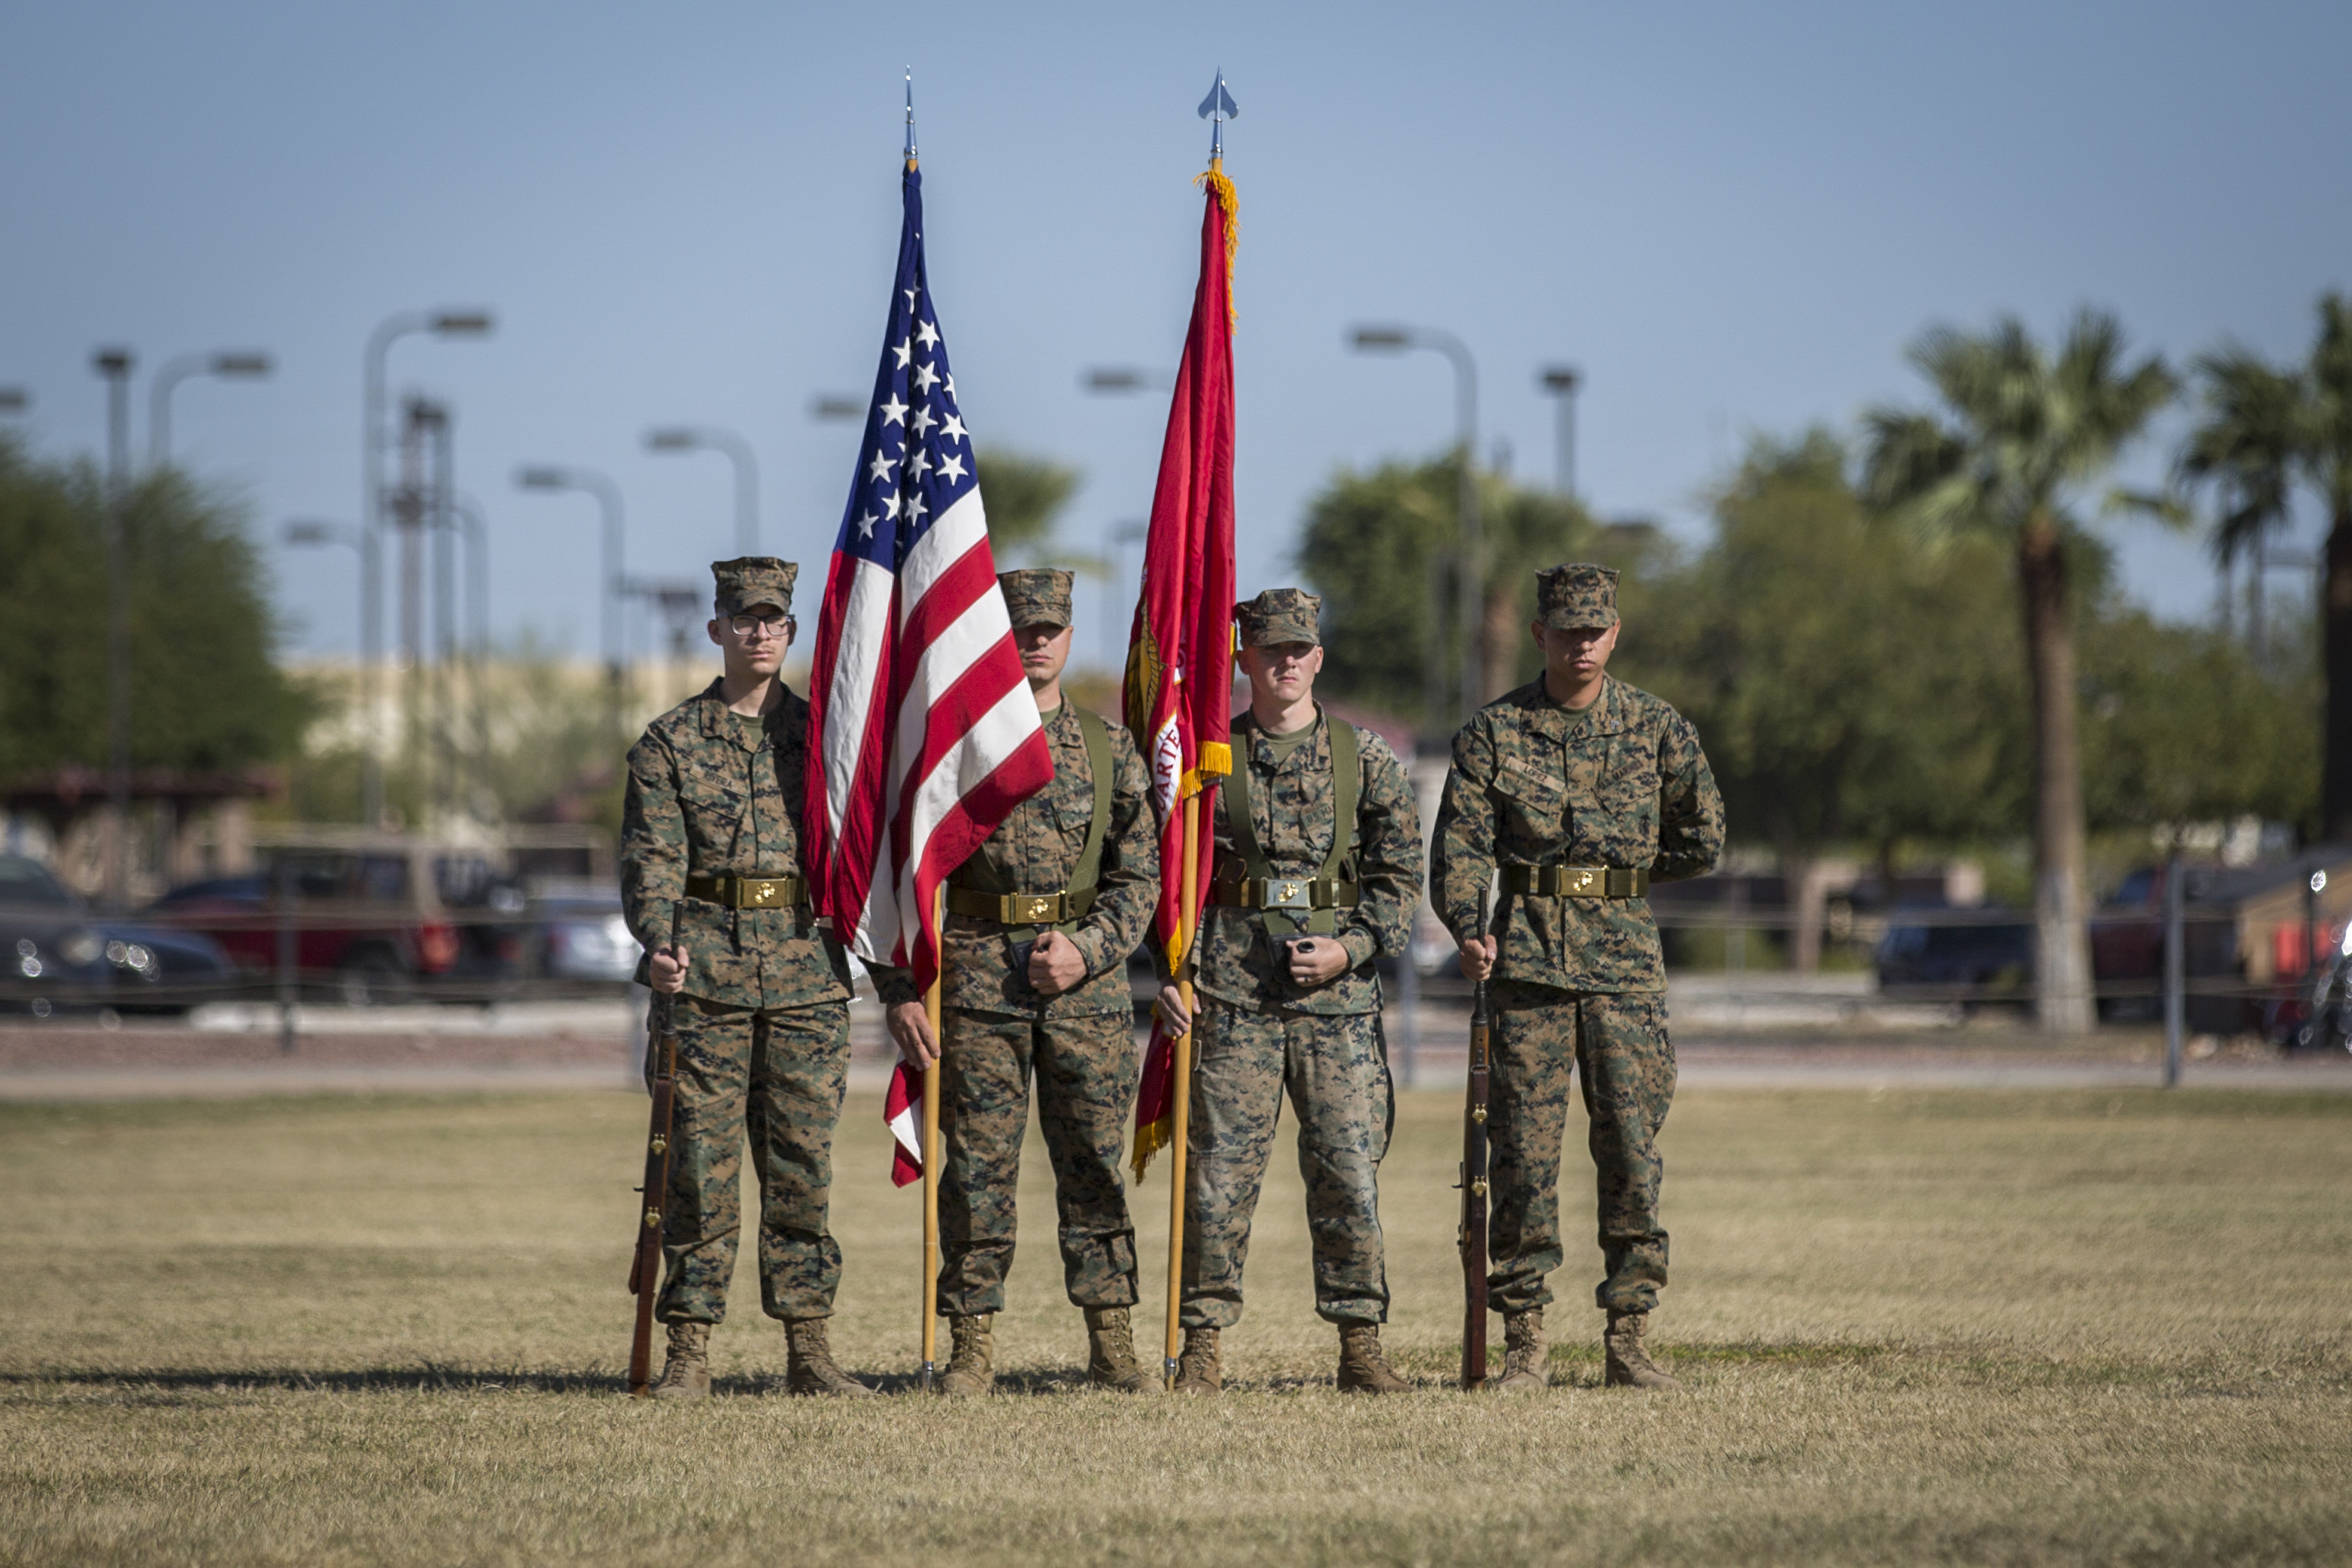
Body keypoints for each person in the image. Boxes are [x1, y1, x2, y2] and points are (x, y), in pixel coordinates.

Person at [1429, 563, 1724, 1391]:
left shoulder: (1656, 727)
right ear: (1540, 636)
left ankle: (1628, 1335)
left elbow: (1703, 836)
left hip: (1624, 970)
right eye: (1566, 630)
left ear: (1615, 634)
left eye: (1595, 630)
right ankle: (1525, 1340)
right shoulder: (1494, 733)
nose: (1581, 643)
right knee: (1522, 1155)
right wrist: (1466, 926)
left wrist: (1621, 880)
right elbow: (1459, 848)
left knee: (1630, 1150)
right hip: (1524, 964)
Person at [876, 568, 1161, 1397]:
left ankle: (1112, 1342)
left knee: (1094, 1169)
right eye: (1022, 629)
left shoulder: (1110, 751)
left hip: (1086, 990)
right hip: (976, 982)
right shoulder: (953, 751)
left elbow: (1137, 878)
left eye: (1049, 630)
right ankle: (971, 1348)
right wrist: (900, 983)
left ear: (1070, 639)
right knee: (977, 1171)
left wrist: (1089, 948)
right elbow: (906, 871)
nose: (1036, 643)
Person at [1153, 588, 1426, 1394]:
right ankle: (1200, 1342)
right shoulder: (1210, 757)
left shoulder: (1364, 757)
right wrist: (1174, 971)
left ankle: (1359, 1344)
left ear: (1319, 657)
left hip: (1336, 1009)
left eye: (1299, 649)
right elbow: (1169, 877)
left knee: (1347, 1173)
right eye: (1270, 649)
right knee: (1218, 1179)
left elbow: (1399, 880)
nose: (1286, 663)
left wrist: (1350, 950)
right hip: (1231, 997)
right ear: (1243, 659)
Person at [620, 557, 870, 1398]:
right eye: (744, 618)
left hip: (805, 975)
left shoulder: (830, 739)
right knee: (699, 1172)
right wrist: (658, 939)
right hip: (708, 978)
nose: (759, 632)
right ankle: (689, 1351)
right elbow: (652, 863)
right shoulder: (670, 743)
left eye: (773, 619)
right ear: (716, 630)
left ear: (792, 632)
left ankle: (809, 1349)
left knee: (803, 1169)